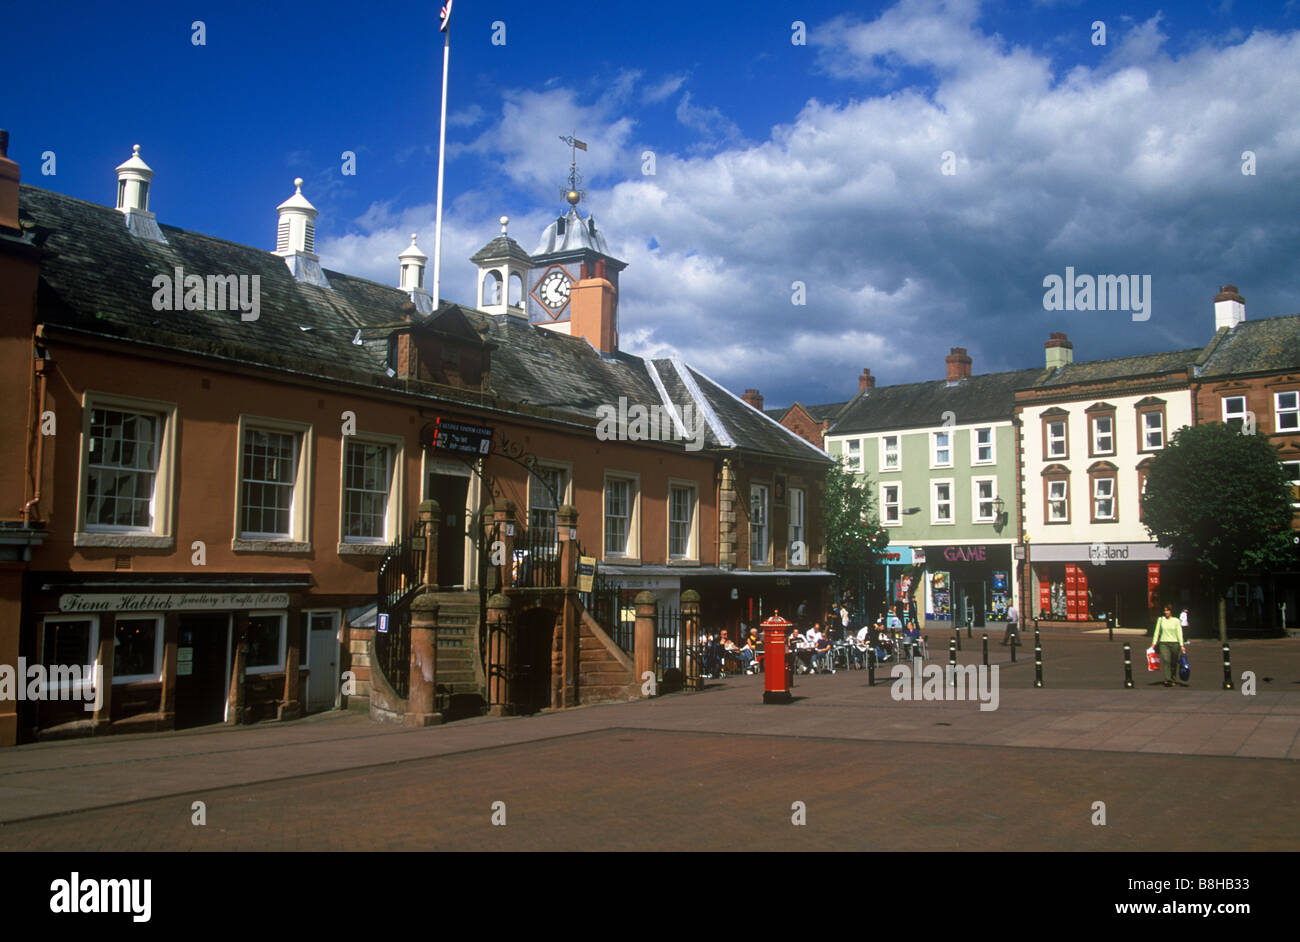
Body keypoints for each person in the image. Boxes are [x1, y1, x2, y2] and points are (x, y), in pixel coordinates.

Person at [1151, 605, 1186, 687]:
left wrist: (1182, 645)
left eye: (1168, 610)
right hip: (1164, 643)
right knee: (1166, 660)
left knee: (1173, 662)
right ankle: (1167, 679)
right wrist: (1154, 643)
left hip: (1175, 643)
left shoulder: (1176, 621)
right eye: (1165, 610)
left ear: (1171, 611)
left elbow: (1179, 633)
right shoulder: (1161, 620)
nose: (1166, 612)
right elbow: (1157, 631)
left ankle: (1173, 678)